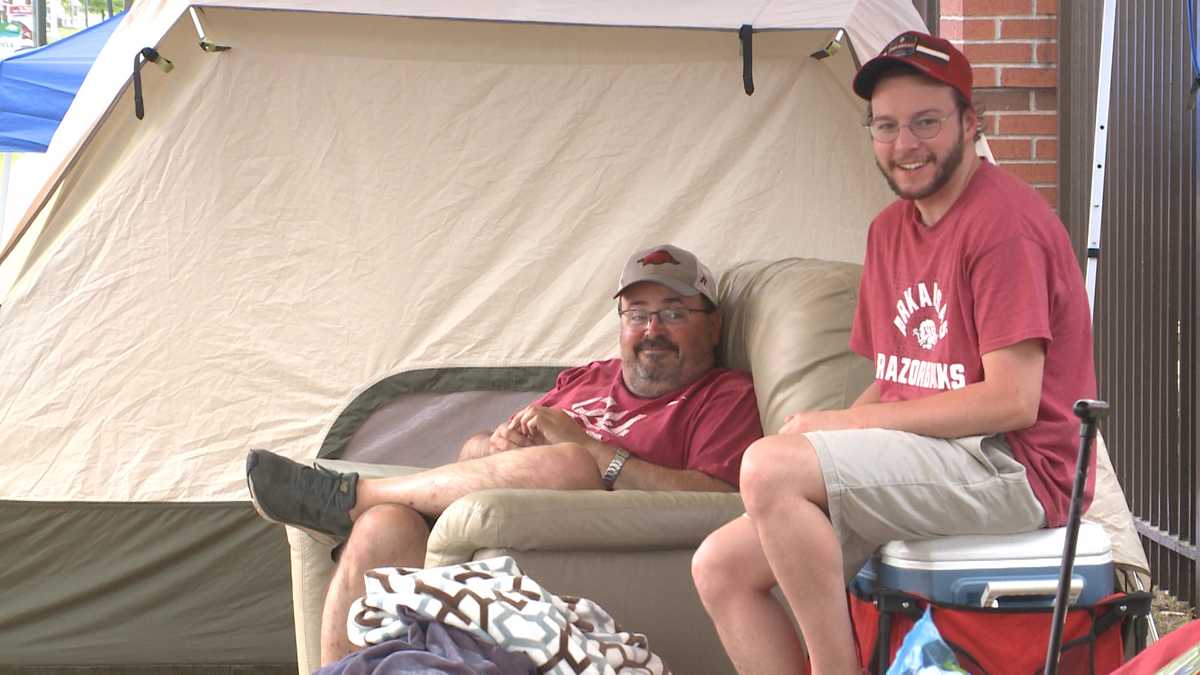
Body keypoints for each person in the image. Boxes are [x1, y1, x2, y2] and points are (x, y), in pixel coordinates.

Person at [691, 31, 1097, 674]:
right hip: (937, 459)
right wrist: (824, 447)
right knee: (721, 567)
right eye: (886, 126)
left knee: (770, 467)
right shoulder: (889, 231)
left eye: (926, 122)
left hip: (1015, 470)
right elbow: (896, 380)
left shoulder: (1003, 226)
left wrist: (837, 429)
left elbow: (1013, 401)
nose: (905, 145)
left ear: (971, 124)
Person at [245, 243, 763, 665]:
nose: (653, 330)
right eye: (638, 314)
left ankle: (352, 494)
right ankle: (363, 516)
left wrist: (590, 449)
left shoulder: (724, 395)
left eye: (674, 313)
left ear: (713, 326)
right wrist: (494, 447)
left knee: (568, 463)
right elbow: (477, 457)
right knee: (383, 525)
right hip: (484, 529)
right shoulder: (587, 379)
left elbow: (719, 498)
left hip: (569, 540)